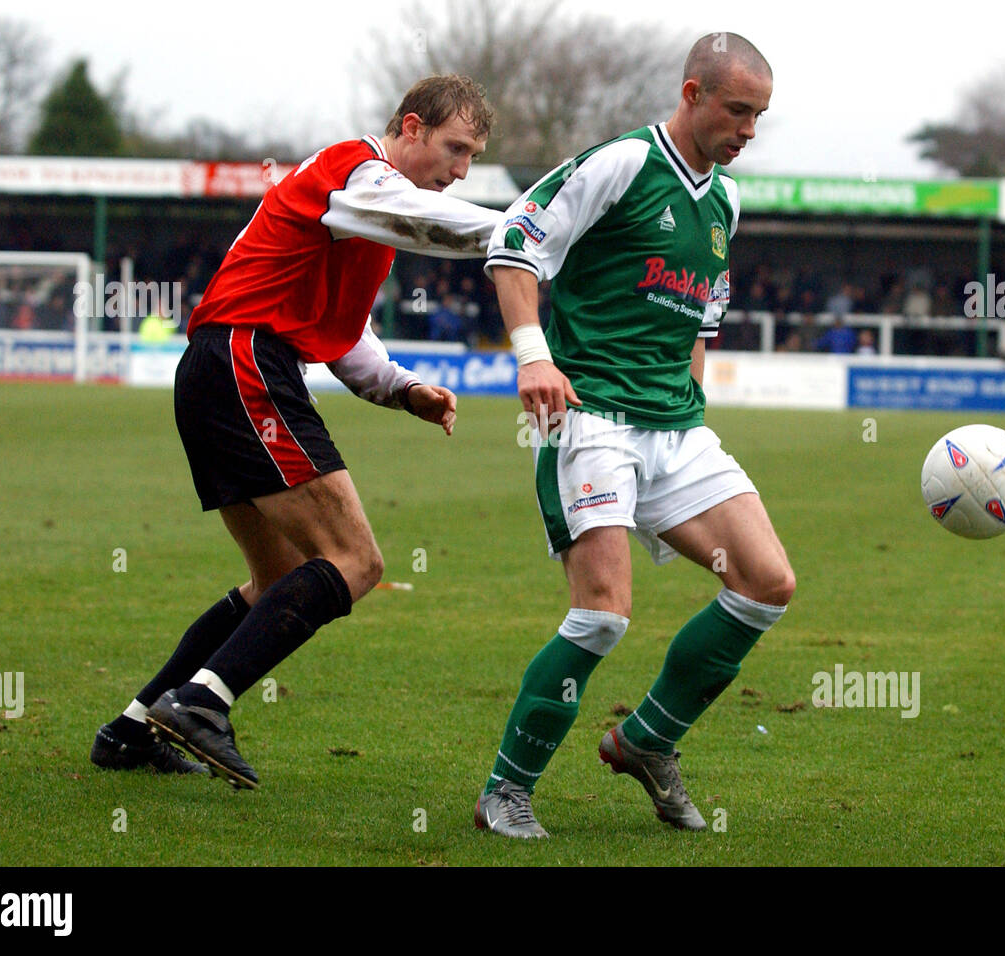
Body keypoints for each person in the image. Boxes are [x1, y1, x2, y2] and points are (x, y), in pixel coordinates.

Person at [89, 75, 502, 788]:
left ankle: (130, 729)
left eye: (471, 157)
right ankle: (202, 704)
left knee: (278, 578)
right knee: (357, 560)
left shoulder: (363, 210)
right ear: (411, 127)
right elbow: (430, 223)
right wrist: (526, 234)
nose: (460, 170)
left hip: (220, 367)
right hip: (246, 359)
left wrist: (404, 389)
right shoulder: (358, 171)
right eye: (455, 149)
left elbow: (343, 339)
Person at [474, 33, 793, 838]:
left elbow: (699, 319)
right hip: (592, 416)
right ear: (692, 94)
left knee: (766, 582)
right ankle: (505, 790)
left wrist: (690, 393)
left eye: (759, 115)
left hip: (676, 427)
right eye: (738, 110)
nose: (749, 129)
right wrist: (533, 359)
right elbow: (513, 241)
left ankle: (649, 739)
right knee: (605, 613)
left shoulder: (725, 199)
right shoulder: (620, 163)